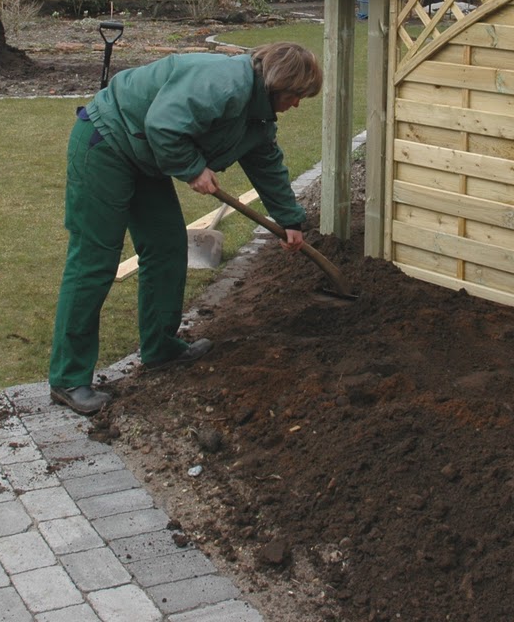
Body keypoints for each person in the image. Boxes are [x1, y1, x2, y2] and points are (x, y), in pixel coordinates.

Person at [48, 41, 322, 415]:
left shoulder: (258, 114)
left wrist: (289, 220)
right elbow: (163, 124)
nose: (297, 104)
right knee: (95, 259)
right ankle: (69, 377)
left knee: (166, 246)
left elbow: (265, 162)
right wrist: (193, 167)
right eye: (297, 95)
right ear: (279, 83)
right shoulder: (225, 84)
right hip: (107, 141)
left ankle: (160, 347)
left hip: (144, 158)